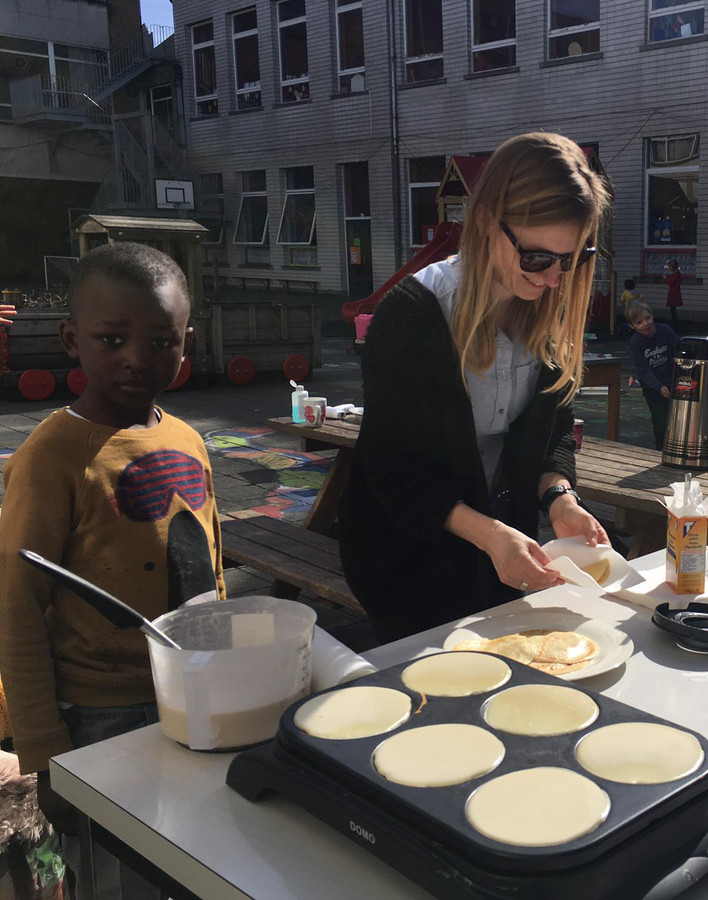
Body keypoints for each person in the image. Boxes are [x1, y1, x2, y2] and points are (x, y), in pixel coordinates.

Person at [0, 242, 226, 895]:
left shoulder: (188, 438)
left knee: (192, 856)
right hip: (101, 717)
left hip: (192, 698)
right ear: (73, 340)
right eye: (111, 338)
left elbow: (208, 566)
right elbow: (16, 610)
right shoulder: (53, 457)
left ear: (186, 342)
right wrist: (47, 756)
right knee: (122, 876)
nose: (137, 357)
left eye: (161, 341)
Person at [339, 132, 613, 642]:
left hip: (503, 560)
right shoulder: (413, 316)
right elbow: (392, 471)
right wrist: (488, 534)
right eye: (536, 257)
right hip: (406, 566)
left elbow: (549, 434)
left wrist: (560, 498)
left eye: (570, 259)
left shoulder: (549, 312)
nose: (554, 279)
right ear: (486, 221)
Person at [627, 300, 679, 450]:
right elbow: (643, 370)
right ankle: (661, 449)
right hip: (652, 386)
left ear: (652, 316)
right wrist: (658, 386)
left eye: (647, 318)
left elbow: (680, 348)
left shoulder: (665, 331)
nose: (645, 324)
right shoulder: (636, 342)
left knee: (678, 417)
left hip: (672, 380)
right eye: (639, 322)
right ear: (632, 326)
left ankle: (676, 447)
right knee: (660, 419)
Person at [664, 258, 683, 326]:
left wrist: (666, 278)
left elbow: (671, 283)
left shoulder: (676, 275)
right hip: (674, 293)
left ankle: (675, 324)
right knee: (672, 310)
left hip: (674, 294)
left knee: (672, 310)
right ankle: (674, 323)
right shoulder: (676, 274)